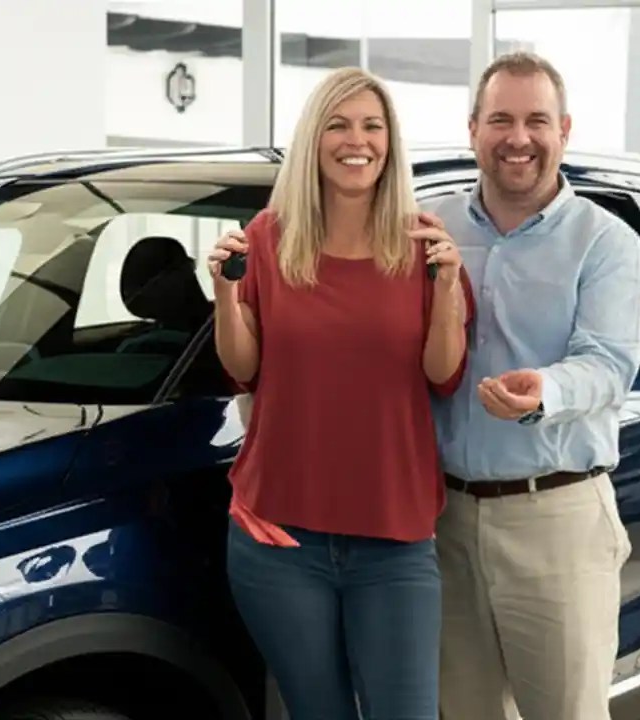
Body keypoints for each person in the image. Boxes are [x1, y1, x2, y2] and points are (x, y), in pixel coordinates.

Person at [206, 66, 473, 720]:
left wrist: (445, 287)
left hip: (393, 539)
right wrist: (224, 293)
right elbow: (244, 370)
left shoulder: (424, 243)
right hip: (279, 540)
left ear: (390, 142)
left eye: (372, 126)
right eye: (339, 125)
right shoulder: (268, 237)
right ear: (314, 139)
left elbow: (444, 374)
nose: (357, 141)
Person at [429, 51, 640, 720]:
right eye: (500, 119)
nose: (518, 138)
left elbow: (607, 363)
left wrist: (544, 393)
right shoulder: (428, 226)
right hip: (441, 521)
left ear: (564, 130)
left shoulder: (606, 242)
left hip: (554, 518)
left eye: (536, 120)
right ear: (473, 129)